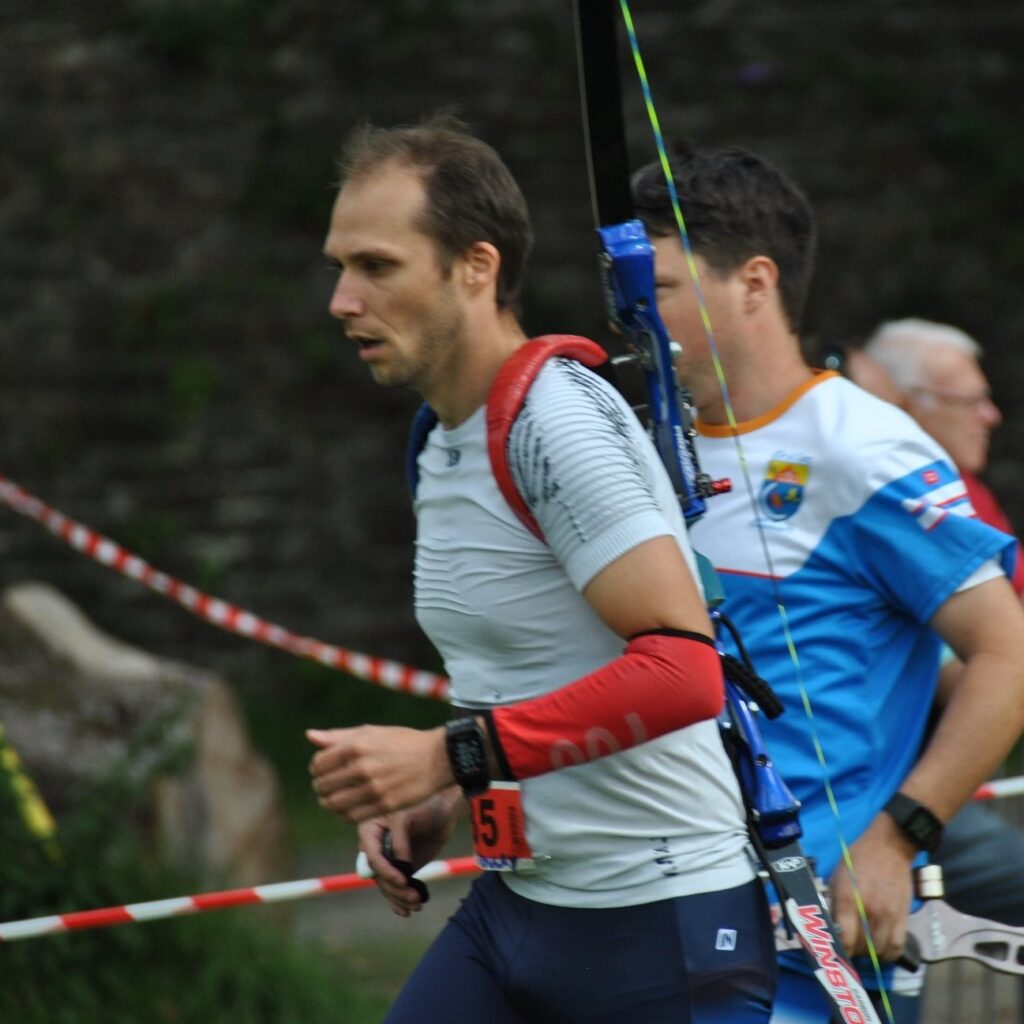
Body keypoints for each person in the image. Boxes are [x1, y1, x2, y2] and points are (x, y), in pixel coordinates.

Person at [307, 116, 776, 1023]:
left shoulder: (553, 421)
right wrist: (446, 788)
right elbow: (531, 668)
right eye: (339, 266)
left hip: (662, 921)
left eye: (376, 266)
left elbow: (683, 670)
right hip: (521, 905)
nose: (341, 300)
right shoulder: (442, 437)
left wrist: (448, 752)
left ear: (475, 268)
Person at [631, 145, 1024, 1023]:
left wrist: (898, 837)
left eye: (654, 286)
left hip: (815, 946)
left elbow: (1010, 655)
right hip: (663, 913)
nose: (630, 314)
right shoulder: (642, 444)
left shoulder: (861, 447)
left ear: (754, 283)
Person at [857, 319, 1024, 943]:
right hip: (908, 791)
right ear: (908, 406)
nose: (991, 414)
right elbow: (963, 665)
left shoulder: (967, 491)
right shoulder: (899, 500)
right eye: (967, 400)